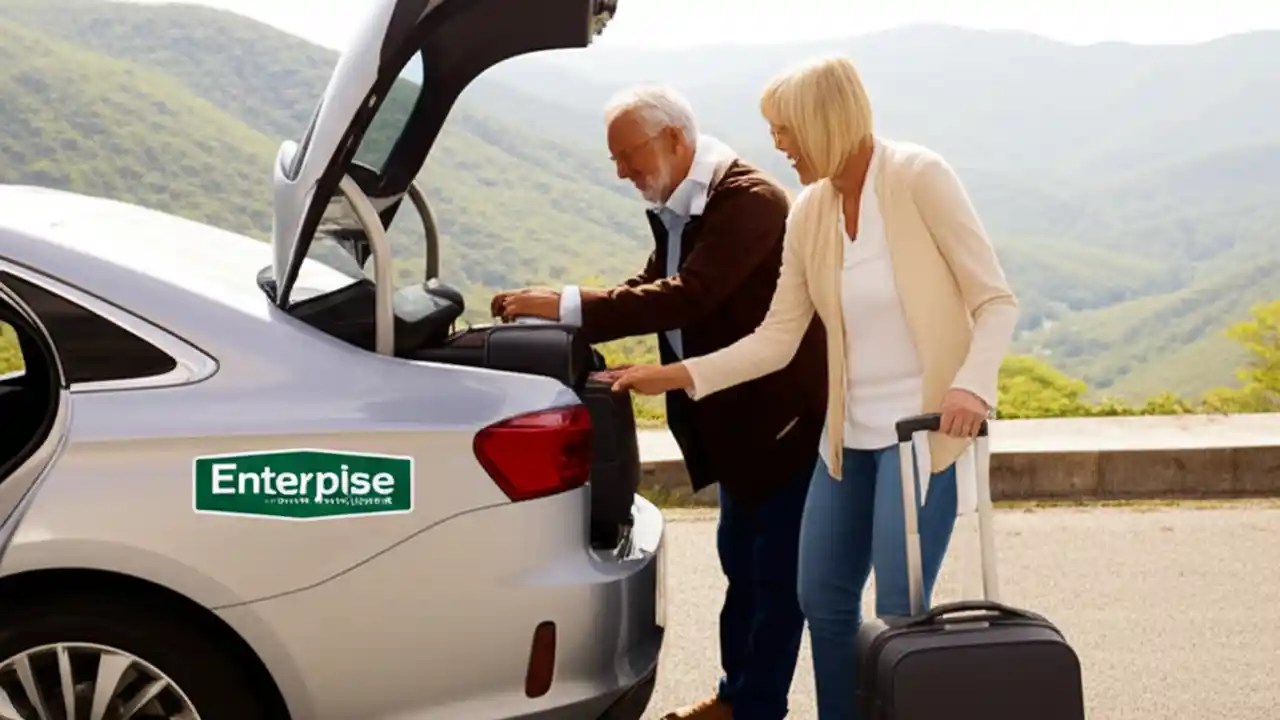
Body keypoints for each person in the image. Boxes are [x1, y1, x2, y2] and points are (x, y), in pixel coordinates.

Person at [609, 57, 1020, 719]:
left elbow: (995, 301)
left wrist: (972, 387)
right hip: (844, 439)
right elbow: (777, 338)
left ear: (824, 122)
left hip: (921, 438)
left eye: (785, 129)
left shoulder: (918, 178)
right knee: (821, 600)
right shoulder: (809, 213)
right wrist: (679, 376)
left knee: (895, 614)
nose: (777, 144)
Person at [492, 85, 826, 720]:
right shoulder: (682, 203)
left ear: (675, 138)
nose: (621, 170)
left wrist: (569, 305)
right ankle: (738, 699)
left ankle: (755, 709)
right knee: (743, 571)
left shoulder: (749, 202)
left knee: (776, 580)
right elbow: (653, 282)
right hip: (734, 430)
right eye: (614, 158)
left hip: (780, 427)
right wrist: (570, 311)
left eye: (628, 154)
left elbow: (688, 295)